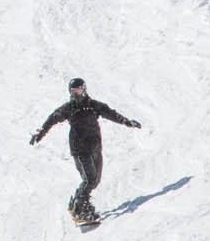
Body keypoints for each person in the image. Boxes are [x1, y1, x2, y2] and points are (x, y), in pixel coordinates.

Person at [29, 77, 141, 223]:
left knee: (95, 181)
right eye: (72, 91)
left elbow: (110, 113)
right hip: (79, 150)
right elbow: (53, 118)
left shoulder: (93, 105)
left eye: (78, 90)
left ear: (84, 89)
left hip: (95, 147)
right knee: (89, 179)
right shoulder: (69, 108)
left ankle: (76, 201)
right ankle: (81, 209)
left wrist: (127, 122)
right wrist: (40, 133)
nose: (75, 94)